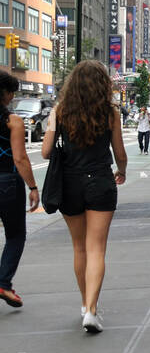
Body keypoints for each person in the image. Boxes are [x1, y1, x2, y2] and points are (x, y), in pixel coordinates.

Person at [42, 61, 130, 333]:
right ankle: (92, 309)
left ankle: (84, 305)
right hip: (101, 181)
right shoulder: (110, 113)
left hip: (68, 183)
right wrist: (122, 171)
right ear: (102, 84)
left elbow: (45, 152)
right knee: (97, 249)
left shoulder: (60, 111)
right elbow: (120, 152)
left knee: (79, 248)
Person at [0, 72, 43, 308]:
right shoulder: (13, 121)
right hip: (7, 183)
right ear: (4, 94)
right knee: (15, 235)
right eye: (11, 92)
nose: (12, 96)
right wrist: (33, 187)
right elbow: (20, 158)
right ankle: (3, 283)